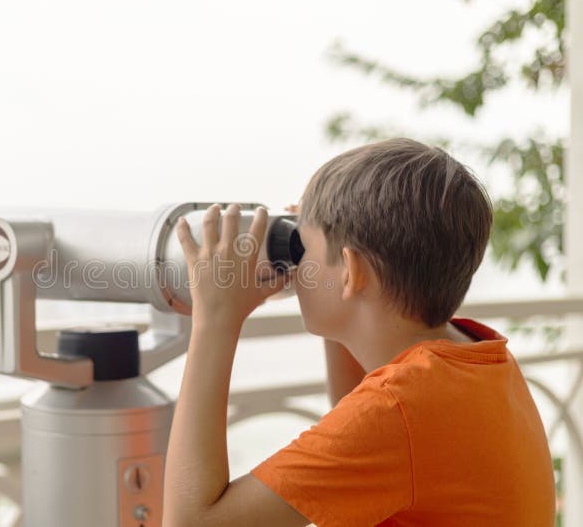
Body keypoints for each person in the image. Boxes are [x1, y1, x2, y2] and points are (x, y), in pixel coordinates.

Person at [161, 138, 556, 526]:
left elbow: (190, 522)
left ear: (351, 271)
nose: (297, 266)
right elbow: (362, 423)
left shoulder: (399, 410)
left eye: (304, 247)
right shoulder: (473, 358)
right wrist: (329, 263)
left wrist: (215, 319)